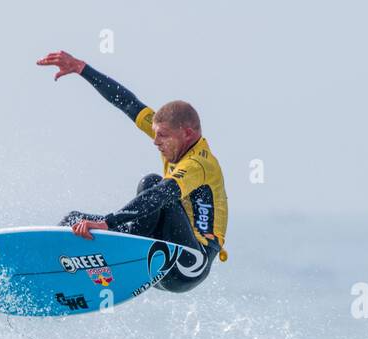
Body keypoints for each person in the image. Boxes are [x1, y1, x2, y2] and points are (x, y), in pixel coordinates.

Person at [36, 50, 228, 293]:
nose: (155, 142)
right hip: (160, 252)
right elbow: (127, 102)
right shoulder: (171, 138)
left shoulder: (200, 164)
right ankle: (50, 271)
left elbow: (161, 195)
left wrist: (108, 222)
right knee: (74, 222)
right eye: (155, 134)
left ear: (187, 133)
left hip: (189, 263)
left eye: (163, 136)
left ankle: (111, 242)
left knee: (152, 184)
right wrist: (82, 68)